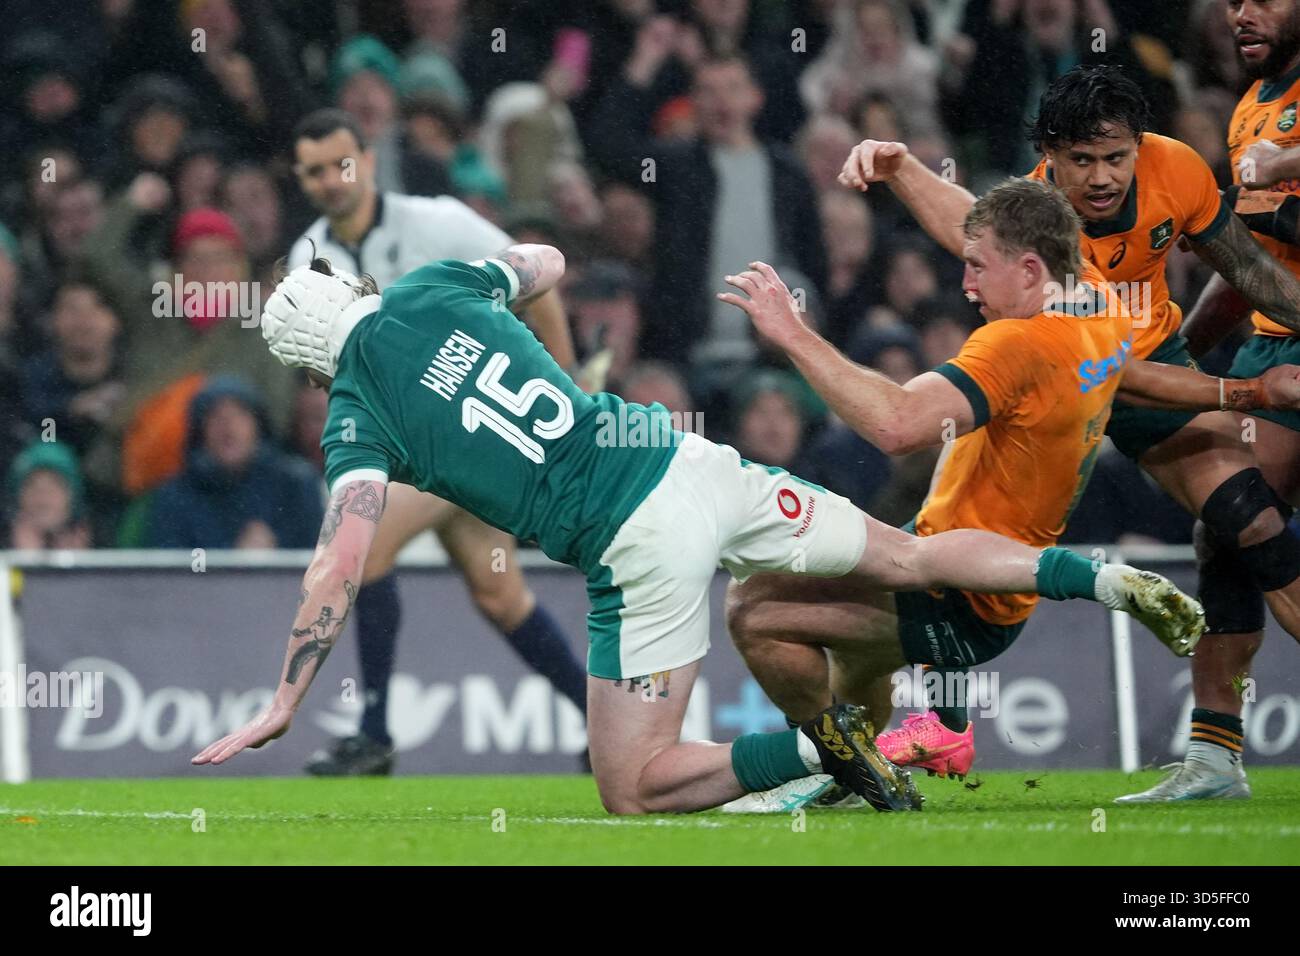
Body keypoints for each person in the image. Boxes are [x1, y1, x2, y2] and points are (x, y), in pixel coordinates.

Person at [192, 238, 1207, 816]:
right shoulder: (432, 283)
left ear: (308, 363)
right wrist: (521, 323)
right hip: (687, 457)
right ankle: (1098, 578)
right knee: (906, 550)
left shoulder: (353, 413)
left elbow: (341, 558)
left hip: (634, 544)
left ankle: (822, 747)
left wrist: (285, 698)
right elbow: (542, 256)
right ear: (352, 290)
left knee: (631, 787)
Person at [722, 178, 1300, 813]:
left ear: (1030, 270)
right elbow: (1132, 378)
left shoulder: (1013, 344)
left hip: (955, 587)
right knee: (857, 660)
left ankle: (837, 765)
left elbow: (896, 425)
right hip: (987, 586)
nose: (966, 284)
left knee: (753, 608)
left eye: (976, 266)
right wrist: (1244, 393)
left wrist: (793, 334)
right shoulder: (1101, 316)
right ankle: (876, 763)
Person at [837, 64, 1300, 800]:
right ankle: (942, 724)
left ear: (1139, 146)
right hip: (1066, 377)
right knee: (956, 535)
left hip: (1145, 366)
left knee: (1249, 523)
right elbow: (972, 225)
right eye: (1080, 160)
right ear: (1050, 155)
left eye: (1114, 157)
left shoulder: (1176, 168)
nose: (1101, 177)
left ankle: (1213, 761)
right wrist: (901, 169)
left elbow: (1244, 266)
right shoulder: (1041, 219)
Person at [287, 108, 588, 775]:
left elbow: (532, 281)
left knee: (362, 548)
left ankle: (372, 733)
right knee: (499, 591)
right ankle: (605, 722)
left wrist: (565, 386)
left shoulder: (439, 222)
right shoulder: (308, 258)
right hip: (412, 448)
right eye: (312, 171)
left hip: (472, 425)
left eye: (339, 164)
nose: (329, 182)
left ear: (367, 160)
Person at [1141, 0, 1300, 803]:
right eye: (1234, 0)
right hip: (1272, 348)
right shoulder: (1252, 106)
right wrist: (1182, 359)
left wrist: (1283, 182)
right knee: (1232, 523)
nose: (1243, 13)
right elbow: (1246, 259)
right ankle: (1212, 757)